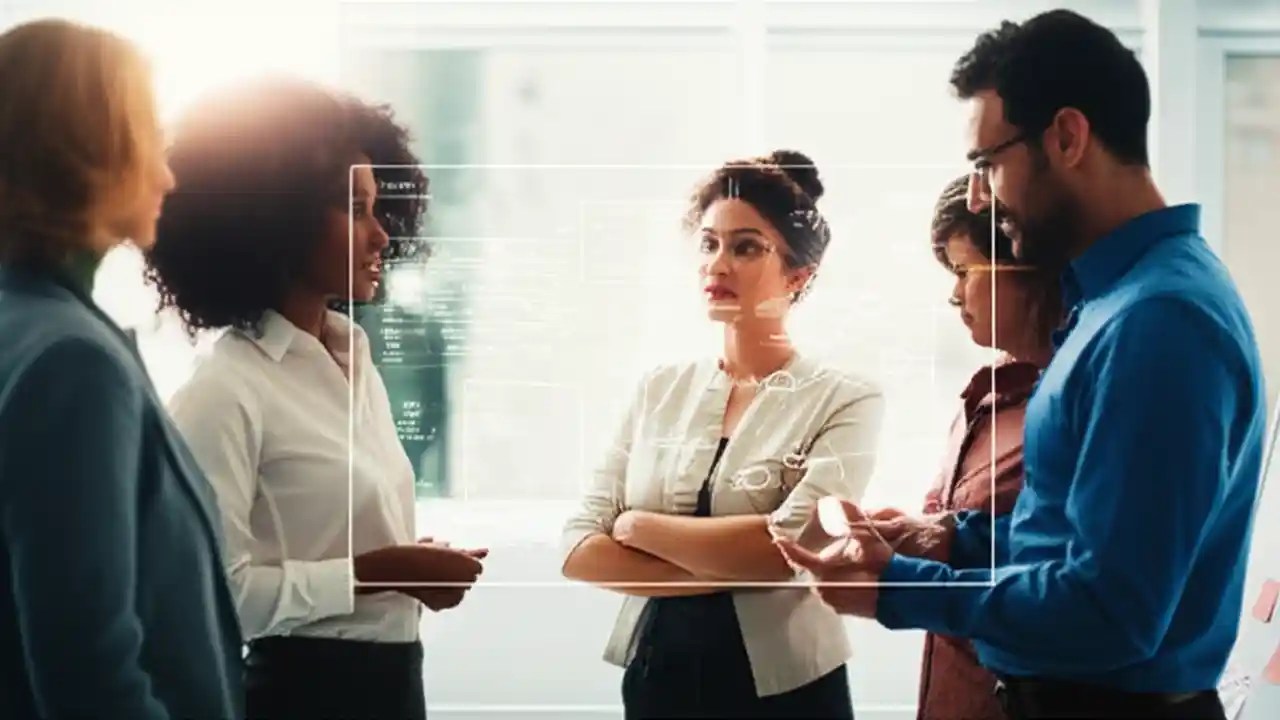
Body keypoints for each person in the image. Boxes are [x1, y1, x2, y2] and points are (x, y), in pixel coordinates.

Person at [777, 10, 1267, 720]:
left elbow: (1112, 611)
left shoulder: (1158, 322)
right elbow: (1074, 534)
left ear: (1067, 137)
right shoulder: (1114, 303)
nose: (980, 195)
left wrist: (897, 588)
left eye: (988, 164)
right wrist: (949, 538)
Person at [145, 78, 487, 720]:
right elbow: (216, 598)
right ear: (278, 218)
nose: (382, 236)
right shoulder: (223, 391)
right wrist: (380, 571)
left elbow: (331, 534)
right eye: (354, 208)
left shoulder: (355, 359)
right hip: (303, 695)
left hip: (395, 684)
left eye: (380, 208)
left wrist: (408, 562)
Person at [561, 150, 885, 719]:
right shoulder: (658, 388)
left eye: (746, 247)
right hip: (658, 677)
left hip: (789, 690)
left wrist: (637, 527)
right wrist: (736, 568)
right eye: (709, 243)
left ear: (798, 274)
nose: (718, 264)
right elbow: (580, 548)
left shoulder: (847, 397)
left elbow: (790, 549)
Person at [0, 19, 242, 719]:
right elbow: (90, 670)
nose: (167, 175)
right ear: (85, 150)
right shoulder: (72, 364)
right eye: (150, 140)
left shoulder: (24, 326)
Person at [897, 176, 1059, 720]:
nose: (953, 294)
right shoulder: (983, 396)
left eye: (965, 271)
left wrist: (898, 580)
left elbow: (1062, 581)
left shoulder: (1076, 406)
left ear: (1028, 270)